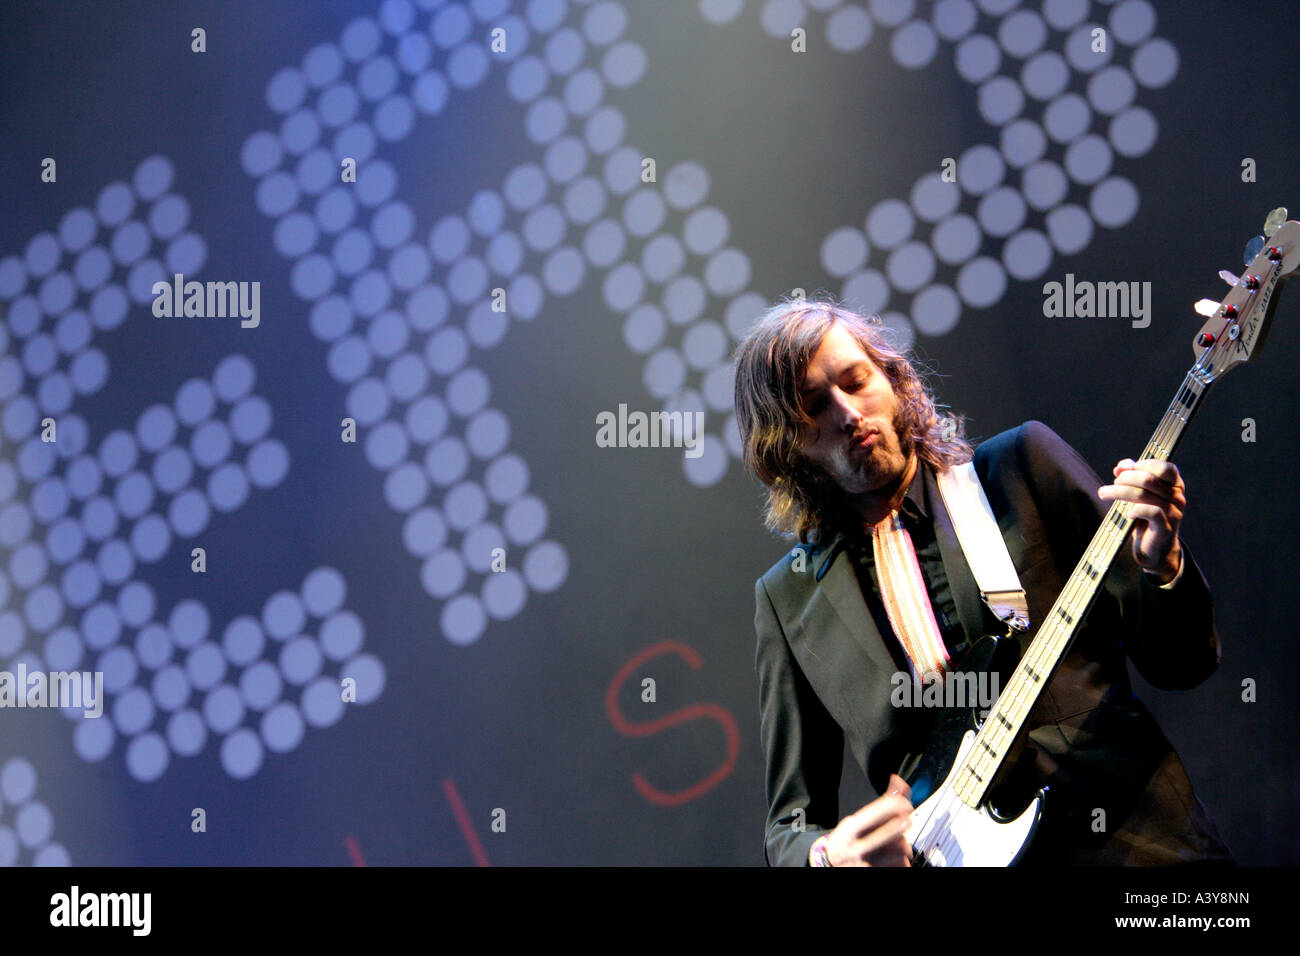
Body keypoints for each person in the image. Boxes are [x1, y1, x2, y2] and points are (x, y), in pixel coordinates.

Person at [733, 298, 1234, 867]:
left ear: (894, 378)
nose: (848, 414)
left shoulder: (1020, 471)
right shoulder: (789, 598)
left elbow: (1182, 664)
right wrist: (826, 856)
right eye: (814, 406)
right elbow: (789, 822)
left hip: (1142, 849)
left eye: (857, 380)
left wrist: (1162, 564)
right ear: (784, 447)